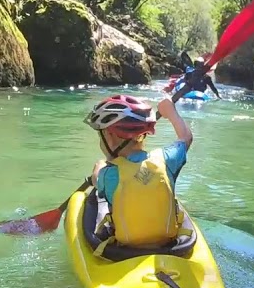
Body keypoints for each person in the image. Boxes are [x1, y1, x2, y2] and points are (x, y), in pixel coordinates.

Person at [83, 94, 193, 248]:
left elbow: (96, 178)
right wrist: (170, 112)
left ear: (109, 136)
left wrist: (100, 163)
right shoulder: (167, 159)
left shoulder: (108, 175)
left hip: (126, 250)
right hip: (169, 247)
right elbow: (186, 137)